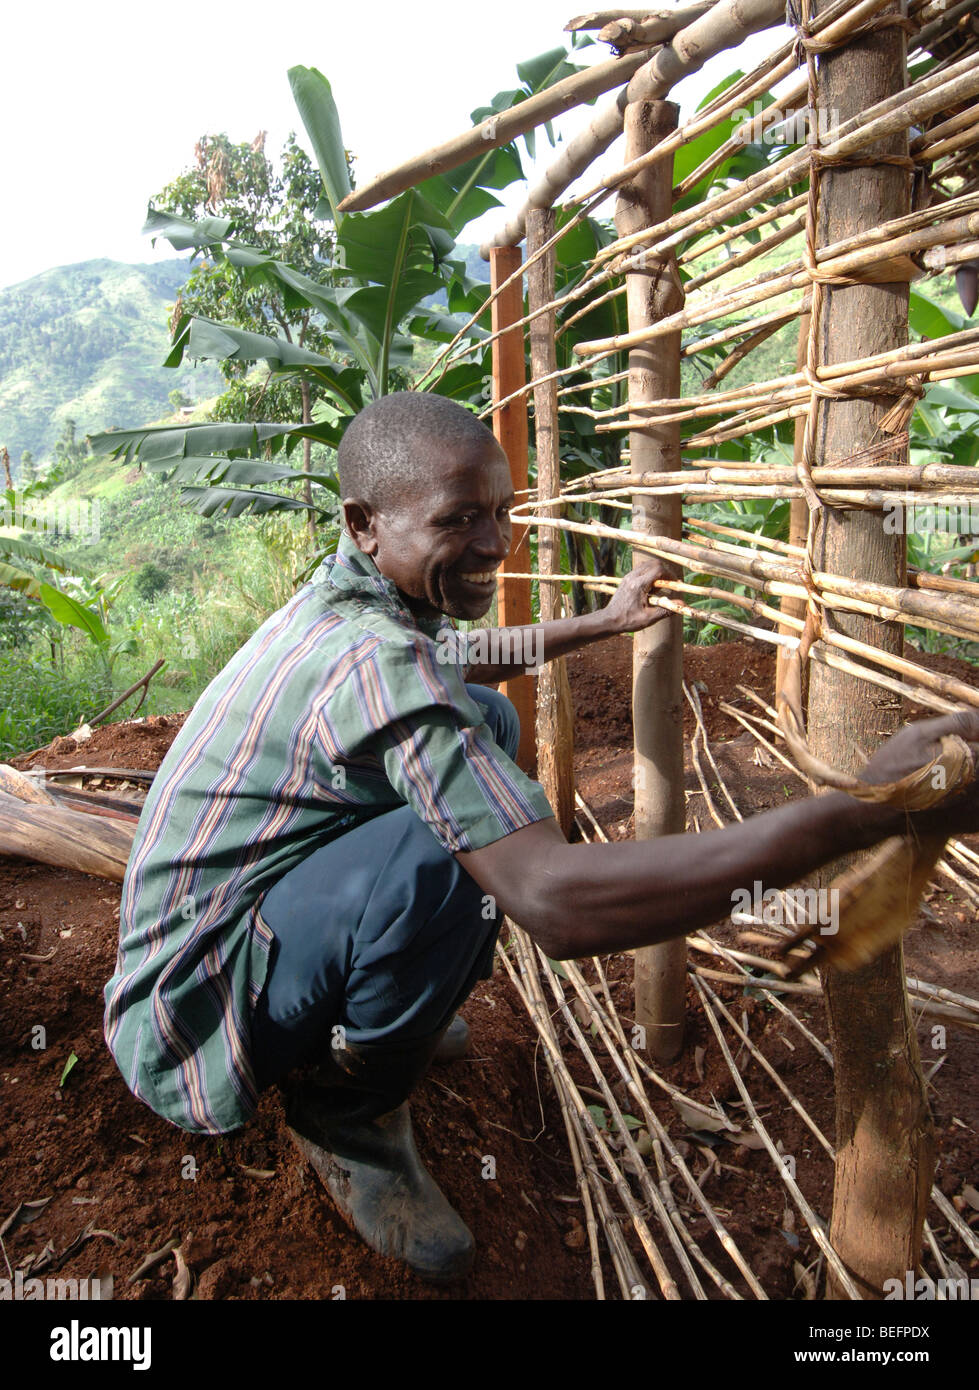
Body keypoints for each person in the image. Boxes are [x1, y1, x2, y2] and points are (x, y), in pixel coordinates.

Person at [104, 391, 979, 1284]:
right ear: (365, 523)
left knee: (480, 720)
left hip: (243, 930)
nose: (494, 543)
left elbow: (453, 668)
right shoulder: (368, 654)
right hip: (190, 1008)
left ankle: (381, 1008)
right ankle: (347, 1113)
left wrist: (598, 623)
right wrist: (869, 807)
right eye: (459, 520)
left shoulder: (350, 606)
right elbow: (554, 906)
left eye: (502, 512)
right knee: (451, 863)